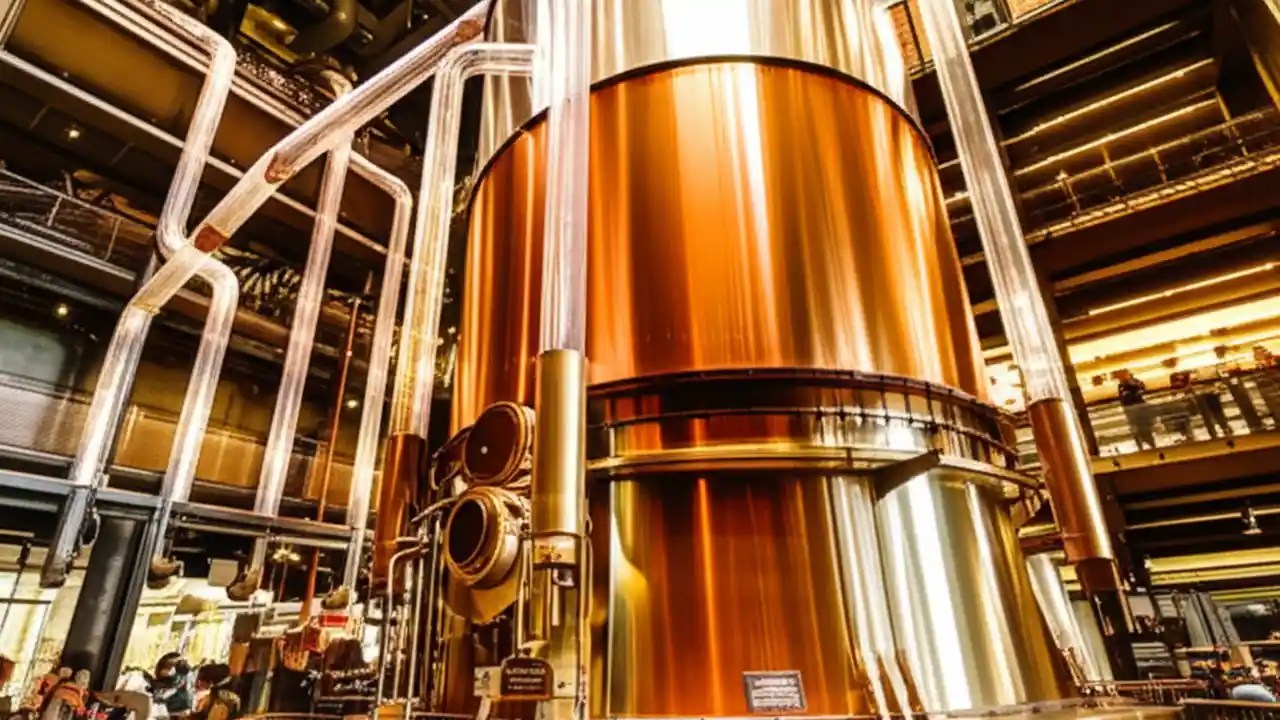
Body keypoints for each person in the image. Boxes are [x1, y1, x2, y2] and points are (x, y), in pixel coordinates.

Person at [1116, 370, 1156, 450]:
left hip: (1138, 409)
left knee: (1143, 429)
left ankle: (1149, 444)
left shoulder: (1135, 382)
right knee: (1138, 429)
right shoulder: (1121, 385)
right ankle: (1142, 446)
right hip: (1132, 409)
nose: (1121, 379)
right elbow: (1122, 397)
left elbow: (1141, 390)